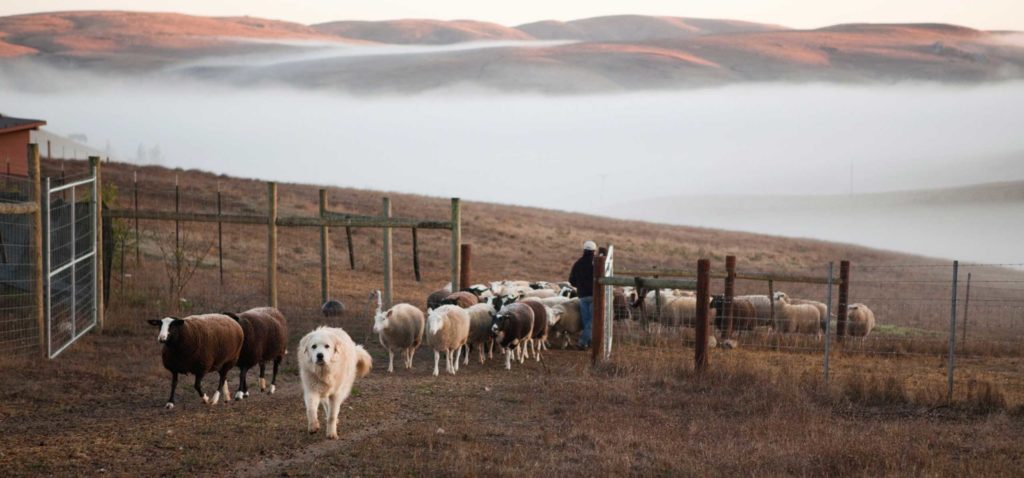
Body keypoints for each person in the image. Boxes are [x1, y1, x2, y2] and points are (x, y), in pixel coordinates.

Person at [569, 240, 597, 349]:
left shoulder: (578, 263)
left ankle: (588, 342)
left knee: (586, 320)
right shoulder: (596, 263)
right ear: (594, 251)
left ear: (584, 250)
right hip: (595, 296)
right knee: (593, 320)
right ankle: (582, 342)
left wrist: (580, 285)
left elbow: (571, 280)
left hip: (583, 296)